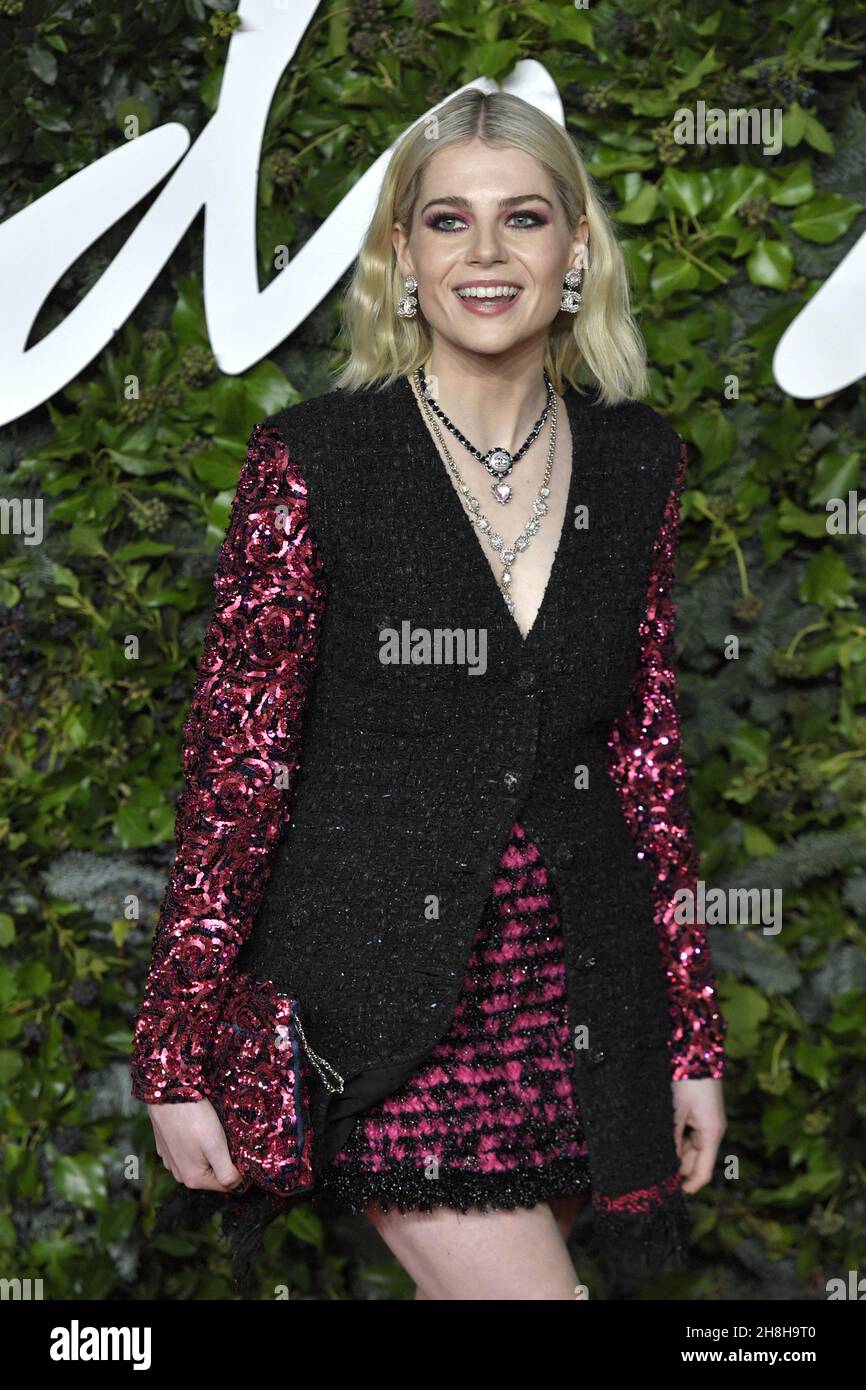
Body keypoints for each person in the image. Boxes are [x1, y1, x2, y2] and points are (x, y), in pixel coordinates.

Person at [130, 88, 727, 1301]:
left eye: (522, 218)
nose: (486, 254)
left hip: (582, 993)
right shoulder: (315, 460)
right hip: (382, 1009)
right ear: (402, 255)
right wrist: (174, 1048)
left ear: (574, 249)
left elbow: (645, 762)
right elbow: (238, 769)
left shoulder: (639, 457)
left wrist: (688, 1034)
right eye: (447, 221)